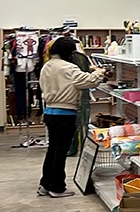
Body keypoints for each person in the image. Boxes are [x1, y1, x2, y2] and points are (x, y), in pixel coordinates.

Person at [37, 37, 107, 198]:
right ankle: (57, 187)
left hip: (49, 112)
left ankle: (45, 184)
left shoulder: (47, 66)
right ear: (68, 52)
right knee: (60, 152)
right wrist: (99, 72)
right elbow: (87, 81)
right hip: (65, 114)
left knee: (52, 151)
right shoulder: (68, 67)